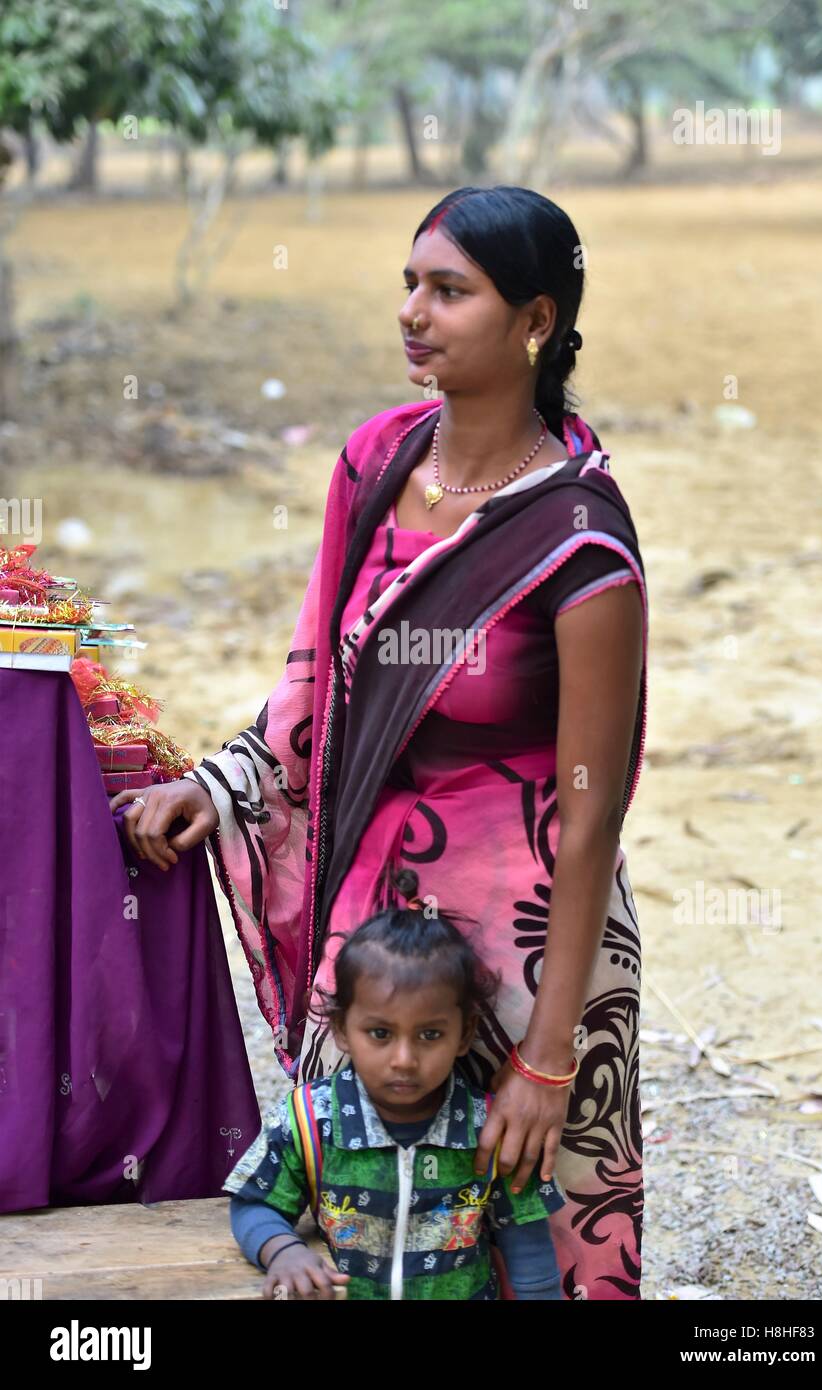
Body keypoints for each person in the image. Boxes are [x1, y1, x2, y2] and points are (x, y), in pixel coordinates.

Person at [110, 184, 648, 1301]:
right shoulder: (373, 463)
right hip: (375, 927)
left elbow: (593, 811)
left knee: (530, 1224)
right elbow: (319, 671)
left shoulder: (578, 544)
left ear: (535, 319)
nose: (413, 311)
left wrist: (550, 1059)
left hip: (529, 946)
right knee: (358, 1210)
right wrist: (224, 779)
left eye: (449, 291)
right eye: (410, 283)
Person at [225, 866, 567, 1300]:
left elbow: (531, 1255)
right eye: (381, 1034)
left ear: (464, 1035)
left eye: (430, 1035)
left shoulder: (491, 1131)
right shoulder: (310, 1122)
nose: (404, 1060)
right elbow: (254, 1202)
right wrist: (282, 1251)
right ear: (344, 1031)